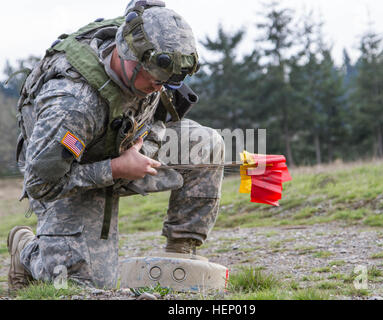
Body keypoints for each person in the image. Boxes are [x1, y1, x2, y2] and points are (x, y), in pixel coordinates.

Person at [7, 0, 224, 293]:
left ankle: (180, 254)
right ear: (128, 58)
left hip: (130, 150)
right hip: (70, 173)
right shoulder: (73, 107)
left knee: (206, 144)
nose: (159, 87)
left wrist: (141, 148)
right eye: (154, 79)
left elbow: (158, 112)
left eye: (166, 82)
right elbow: (41, 185)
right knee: (82, 285)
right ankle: (27, 250)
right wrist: (115, 168)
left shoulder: (148, 53)